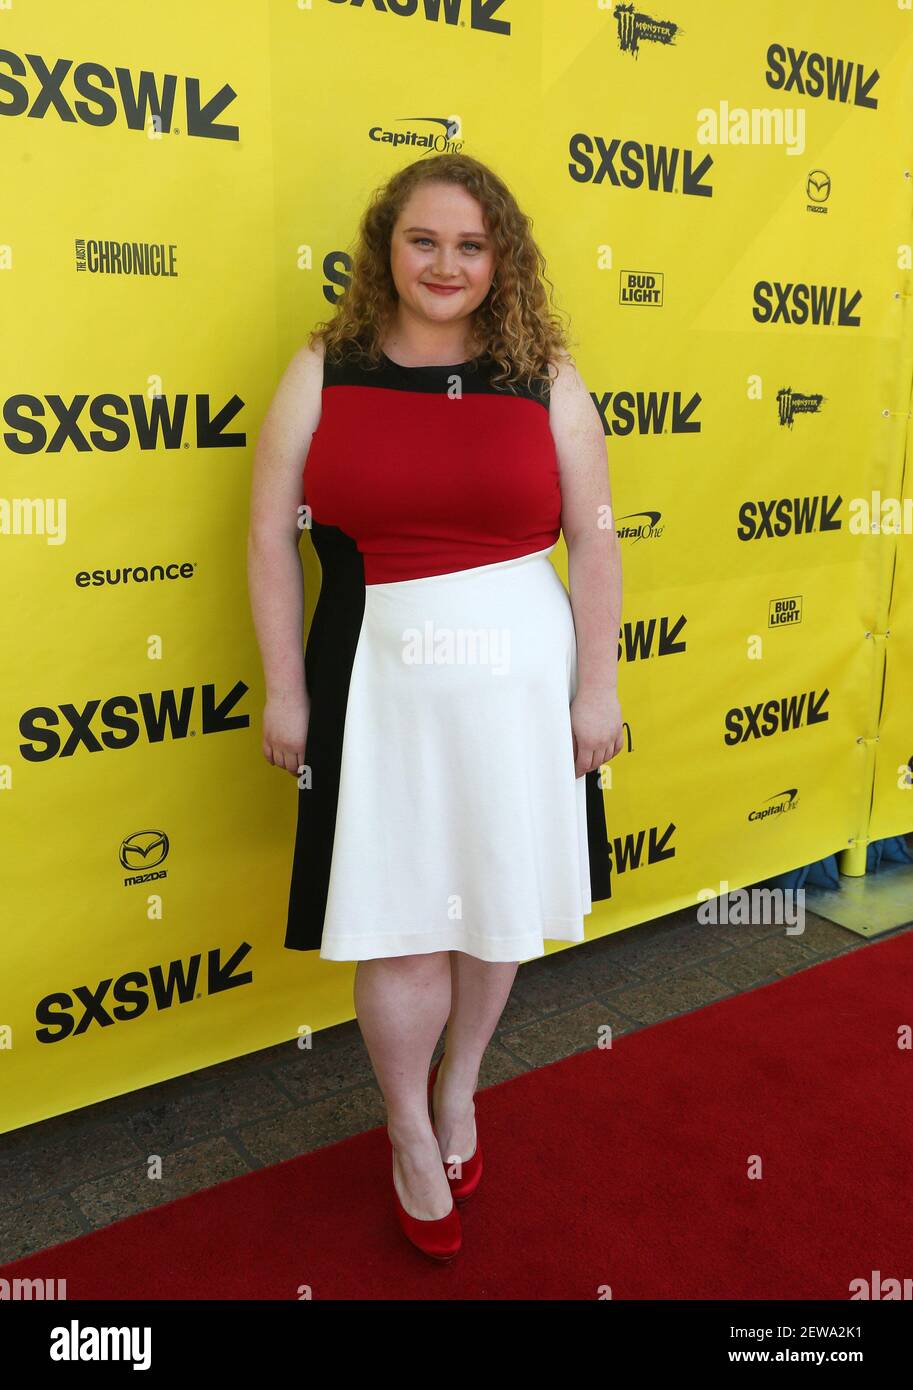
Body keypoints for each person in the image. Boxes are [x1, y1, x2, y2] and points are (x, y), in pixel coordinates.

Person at [248, 152, 623, 1262]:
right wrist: (283, 686)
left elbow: (593, 543)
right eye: (423, 241)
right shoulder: (327, 365)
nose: (445, 264)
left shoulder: (543, 373)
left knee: (494, 899)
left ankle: (461, 1089)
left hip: (520, 691)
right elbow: (269, 534)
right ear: (385, 250)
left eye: (469, 244)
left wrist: (596, 689)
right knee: (403, 918)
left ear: (499, 258)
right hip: (376, 686)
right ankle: (410, 1134)